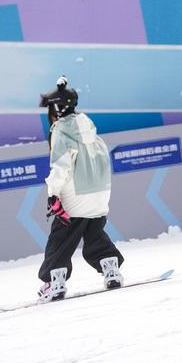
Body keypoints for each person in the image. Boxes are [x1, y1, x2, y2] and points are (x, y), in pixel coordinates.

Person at [36, 76, 124, 301]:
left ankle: (54, 281)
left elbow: (61, 166)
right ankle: (110, 268)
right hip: (99, 195)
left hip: (75, 197)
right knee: (94, 233)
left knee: (61, 237)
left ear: (56, 108)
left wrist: (52, 194)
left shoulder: (60, 131)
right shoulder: (90, 130)